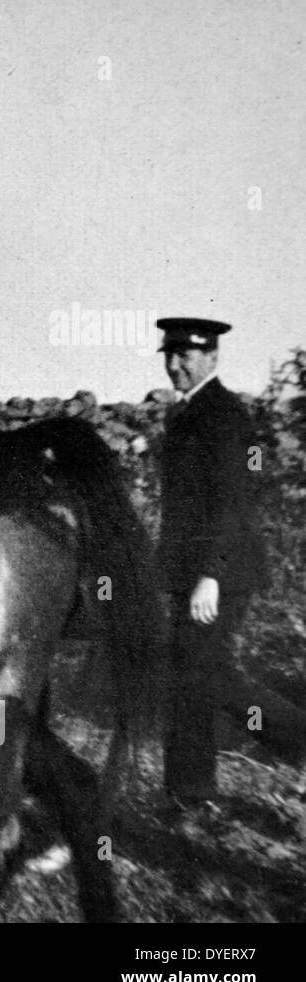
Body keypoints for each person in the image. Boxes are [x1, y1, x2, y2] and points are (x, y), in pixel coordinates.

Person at [156, 317, 306, 807]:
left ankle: (295, 739)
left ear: (212, 358)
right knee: (190, 676)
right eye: (170, 355)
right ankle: (188, 794)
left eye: (187, 356)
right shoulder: (189, 413)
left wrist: (211, 576)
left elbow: (235, 500)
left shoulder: (223, 414)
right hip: (194, 572)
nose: (176, 365)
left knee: (209, 675)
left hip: (220, 573)